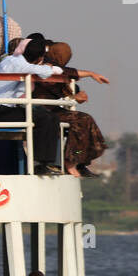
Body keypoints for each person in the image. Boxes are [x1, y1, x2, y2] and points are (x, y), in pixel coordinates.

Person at [0, 37, 109, 176]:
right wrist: (70, 84)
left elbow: (63, 73)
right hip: (3, 109)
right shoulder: (23, 65)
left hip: (23, 108)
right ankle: (49, 163)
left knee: (82, 121)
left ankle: (78, 160)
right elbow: (51, 74)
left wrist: (88, 76)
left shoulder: (26, 64)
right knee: (51, 119)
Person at [39, 41, 109, 176]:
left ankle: (80, 159)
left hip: (56, 110)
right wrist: (73, 98)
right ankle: (70, 161)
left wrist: (91, 74)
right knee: (80, 122)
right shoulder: (45, 67)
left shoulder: (58, 69)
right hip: (45, 111)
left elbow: (70, 72)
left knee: (87, 121)